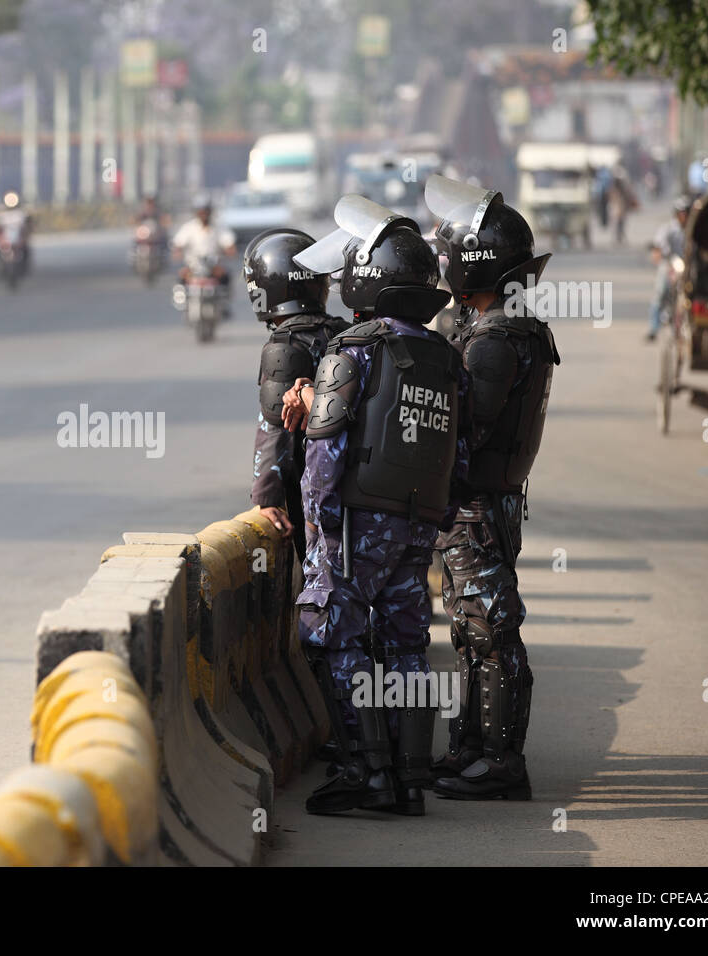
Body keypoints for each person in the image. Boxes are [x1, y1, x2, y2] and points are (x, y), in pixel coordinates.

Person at [280, 195, 470, 817]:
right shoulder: (447, 359)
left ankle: (368, 774)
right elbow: (458, 457)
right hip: (420, 528)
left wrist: (320, 536)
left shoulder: (352, 351)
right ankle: (410, 779)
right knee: (408, 642)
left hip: (356, 525)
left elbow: (323, 459)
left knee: (334, 634)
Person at [423, 174, 562, 800]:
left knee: (490, 628)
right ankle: (472, 748)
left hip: (476, 505)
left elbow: (466, 429)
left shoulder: (496, 338)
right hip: (481, 503)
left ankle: (502, 764)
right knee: (469, 627)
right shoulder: (504, 322)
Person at [245, 227, 351, 557]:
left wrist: (266, 499)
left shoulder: (284, 348)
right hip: (361, 487)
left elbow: (276, 427)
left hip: (315, 493)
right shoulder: (345, 333)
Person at [646, 196, 691, 341]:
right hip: (670, 264)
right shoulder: (668, 229)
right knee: (660, 291)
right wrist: (659, 254)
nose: (683, 216)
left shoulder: (693, 229)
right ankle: (653, 327)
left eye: (686, 213)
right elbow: (658, 246)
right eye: (681, 213)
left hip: (687, 266)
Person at [171, 195, 236, 291]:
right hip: (193, 266)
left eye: (206, 211)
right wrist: (177, 252)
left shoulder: (219, 227)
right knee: (182, 276)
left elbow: (228, 242)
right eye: (201, 212)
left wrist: (229, 250)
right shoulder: (189, 227)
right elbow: (178, 243)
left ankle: (223, 299)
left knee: (225, 276)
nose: (204, 214)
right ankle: (183, 299)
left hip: (213, 266)